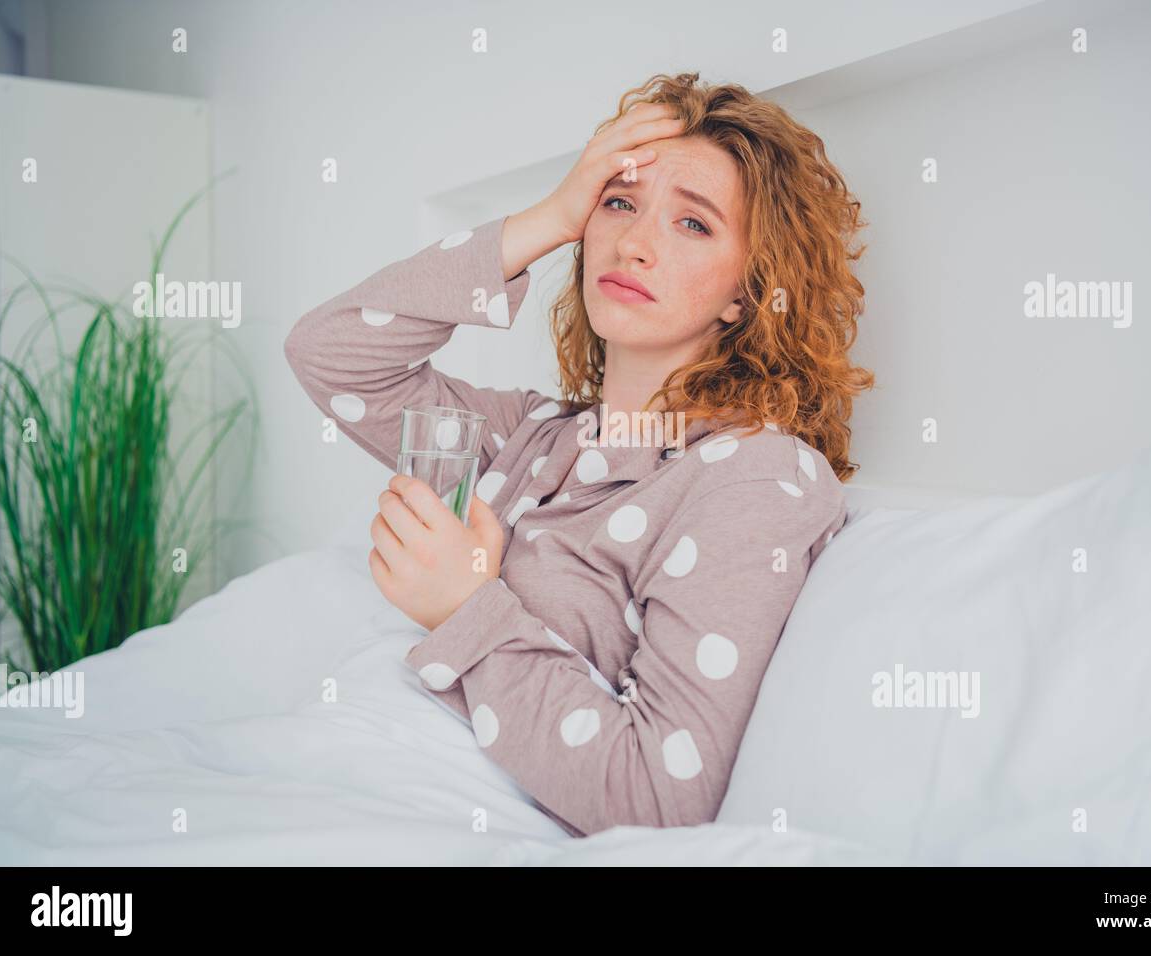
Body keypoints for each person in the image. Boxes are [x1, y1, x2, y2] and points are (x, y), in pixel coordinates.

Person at [283, 71, 875, 838]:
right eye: (619, 203)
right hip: (321, 769)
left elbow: (659, 799)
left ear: (746, 291)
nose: (633, 243)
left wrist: (463, 608)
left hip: (417, 817)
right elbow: (328, 351)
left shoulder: (755, 475)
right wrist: (551, 216)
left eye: (693, 225)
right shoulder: (525, 436)